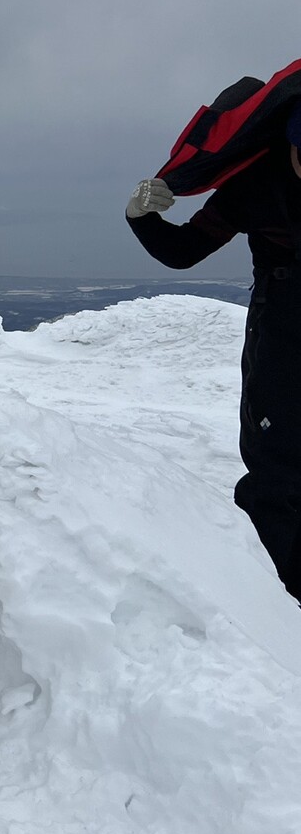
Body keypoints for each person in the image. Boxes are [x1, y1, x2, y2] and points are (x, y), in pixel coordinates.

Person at [125, 107, 301, 599]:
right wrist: (142, 216)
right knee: (278, 470)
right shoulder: (256, 183)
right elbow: (184, 251)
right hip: (284, 334)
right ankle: (276, 601)